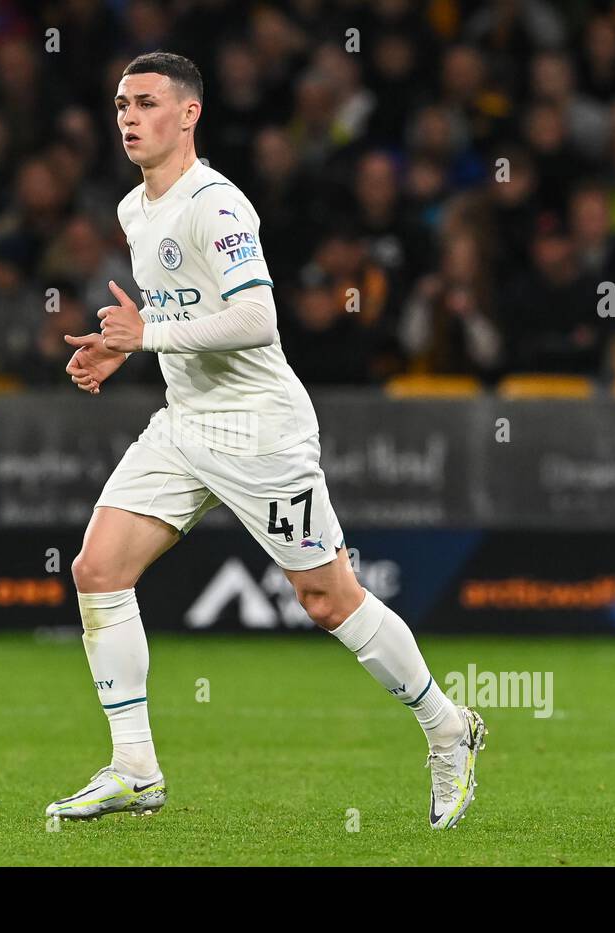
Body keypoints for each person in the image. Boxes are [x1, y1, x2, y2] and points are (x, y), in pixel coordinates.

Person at [46, 52, 485, 828]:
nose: (128, 117)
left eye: (146, 102)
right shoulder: (133, 210)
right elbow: (187, 314)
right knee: (96, 568)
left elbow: (257, 319)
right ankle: (135, 767)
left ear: (189, 115)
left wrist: (147, 336)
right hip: (184, 424)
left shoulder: (217, 206)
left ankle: (448, 728)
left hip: (258, 426)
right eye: (120, 103)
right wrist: (125, 346)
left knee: (325, 598)